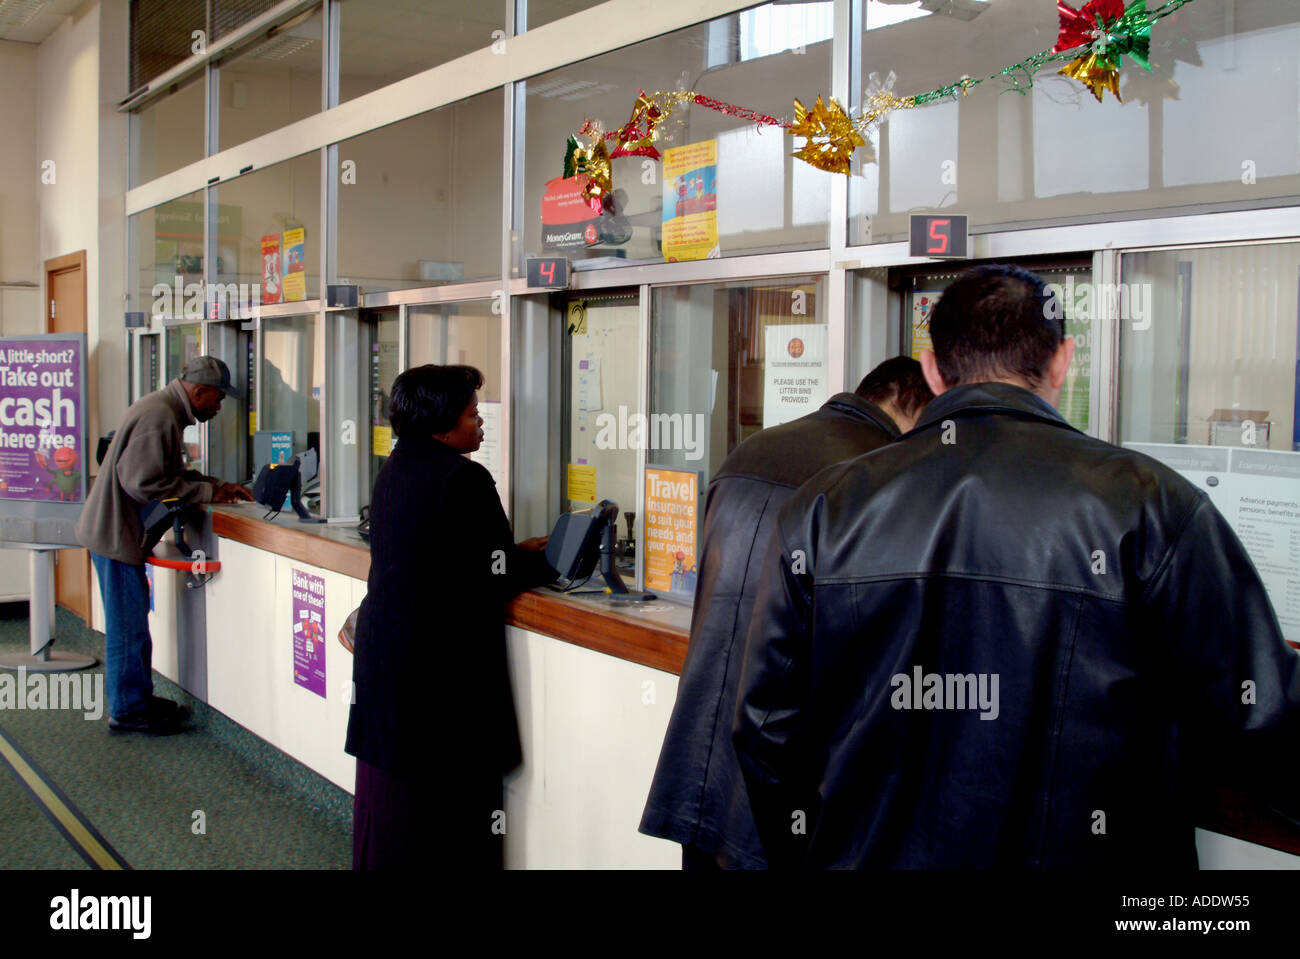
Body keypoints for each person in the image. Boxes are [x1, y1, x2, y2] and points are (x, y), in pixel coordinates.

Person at [734, 265, 1300, 868]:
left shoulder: (826, 507)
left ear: (932, 370)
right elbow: (1260, 715)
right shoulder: (1153, 503)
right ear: (1063, 362)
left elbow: (765, 726)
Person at [640, 357, 934, 868]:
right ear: (912, 404)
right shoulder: (874, 478)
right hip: (788, 778)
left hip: (703, 762)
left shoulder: (753, 449)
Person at [345, 364, 555, 870]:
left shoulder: (395, 469)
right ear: (442, 424)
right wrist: (546, 557)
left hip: (391, 675)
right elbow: (494, 572)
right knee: (451, 820)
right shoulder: (464, 477)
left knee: (398, 817)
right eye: (471, 414)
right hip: (440, 684)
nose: (479, 423)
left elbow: (445, 557)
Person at [76, 356, 253, 735]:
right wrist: (204, 490)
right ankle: (128, 709)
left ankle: (135, 698)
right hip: (115, 535)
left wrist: (213, 485)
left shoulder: (162, 407)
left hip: (114, 531)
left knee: (131, 624)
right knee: (128, 628)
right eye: (218, 399)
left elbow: (165, 475)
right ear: (199, 391)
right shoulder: (160, 416)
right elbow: (142, 483)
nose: (219, 407)